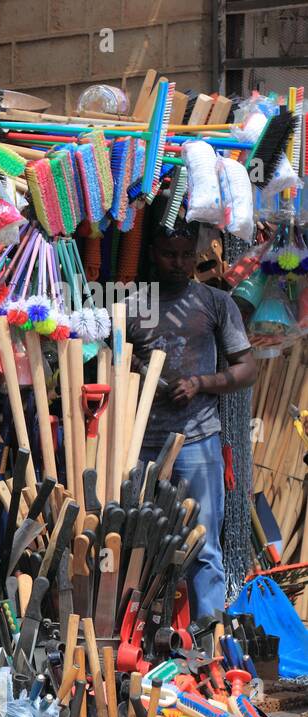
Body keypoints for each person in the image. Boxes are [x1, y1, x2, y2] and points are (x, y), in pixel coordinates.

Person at [128, 223, 256, 620]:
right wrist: (140, 372)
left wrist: (201, 383)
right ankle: (145, 639)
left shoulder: (216, 303)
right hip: (141, 443)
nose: (178, 263)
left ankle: (209, 643)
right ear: (153, 252)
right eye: (169, 254)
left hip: (198, 440)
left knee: (204, 547)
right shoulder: (133, 303)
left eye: (186, 254)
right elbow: (109, 357)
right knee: (137, 544)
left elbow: (246, 368)